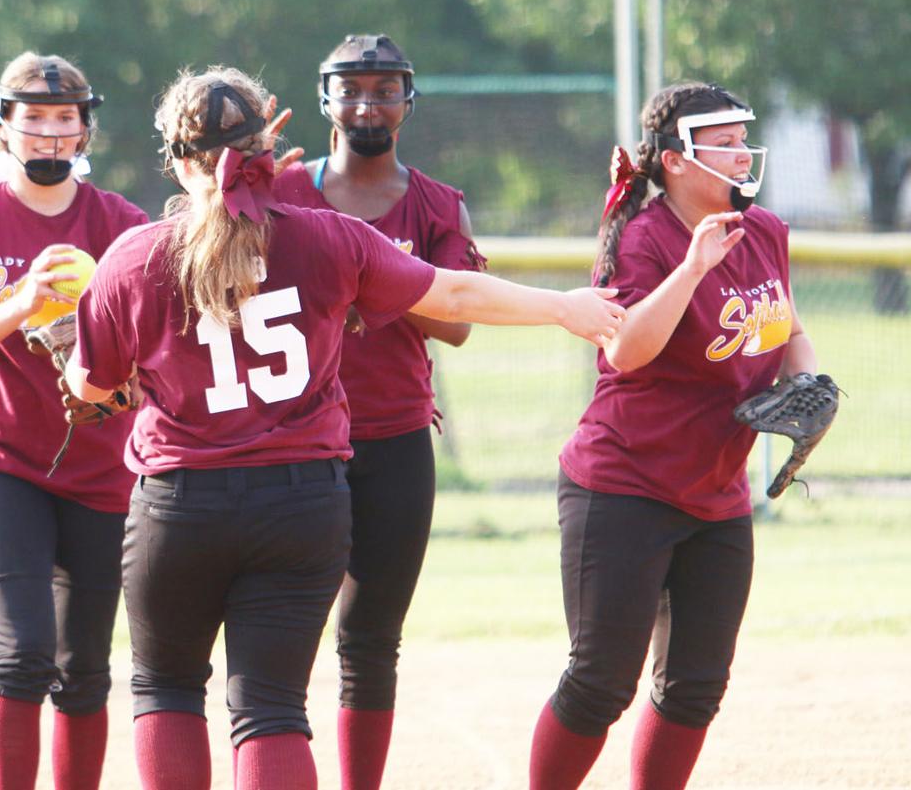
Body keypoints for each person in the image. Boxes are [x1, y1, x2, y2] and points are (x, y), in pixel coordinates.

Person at [63, 66, 624, 790]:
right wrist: (563, 307)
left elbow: (91, 386)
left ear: (175, 159)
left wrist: (78, 352)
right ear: (267, 146)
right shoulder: (330, 236)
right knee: (270, 707)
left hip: (180, 505)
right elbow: (454, 294)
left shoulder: (133, 258)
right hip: (300, 503)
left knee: (166, 688)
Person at [528, 82, 819, 790]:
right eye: (724, 143)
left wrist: (808, 381)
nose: (742, 153)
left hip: (716, 494)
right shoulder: (643, 238)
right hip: (623, 485)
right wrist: (693, 267)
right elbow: (626, 350)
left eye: (742, 139)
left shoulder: (763, 230)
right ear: (676, 161)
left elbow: (789, 330)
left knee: (695, 685)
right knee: (600, 681)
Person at [0, 52, 149, 790]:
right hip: (1, 460)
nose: (50, 133)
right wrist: (21, 304)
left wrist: (112, 364)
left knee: (85, 669)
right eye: (34, 117)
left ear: (85, 130)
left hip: (101, 464)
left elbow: (155, 349)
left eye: (64, 118)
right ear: (2, 125)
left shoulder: (120, 222)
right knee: (21, 654)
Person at [270, 33, 486, 790]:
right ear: (325, 98)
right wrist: (388, 277)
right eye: (352, 90)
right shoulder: (282, 189)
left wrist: (366, 277)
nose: (368, 104)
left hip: (394, 437)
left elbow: (457, 322)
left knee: (370, 640)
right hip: (292, 440)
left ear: (408, 101)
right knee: (281, 637)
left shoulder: (437, 203)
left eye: (385, 90)